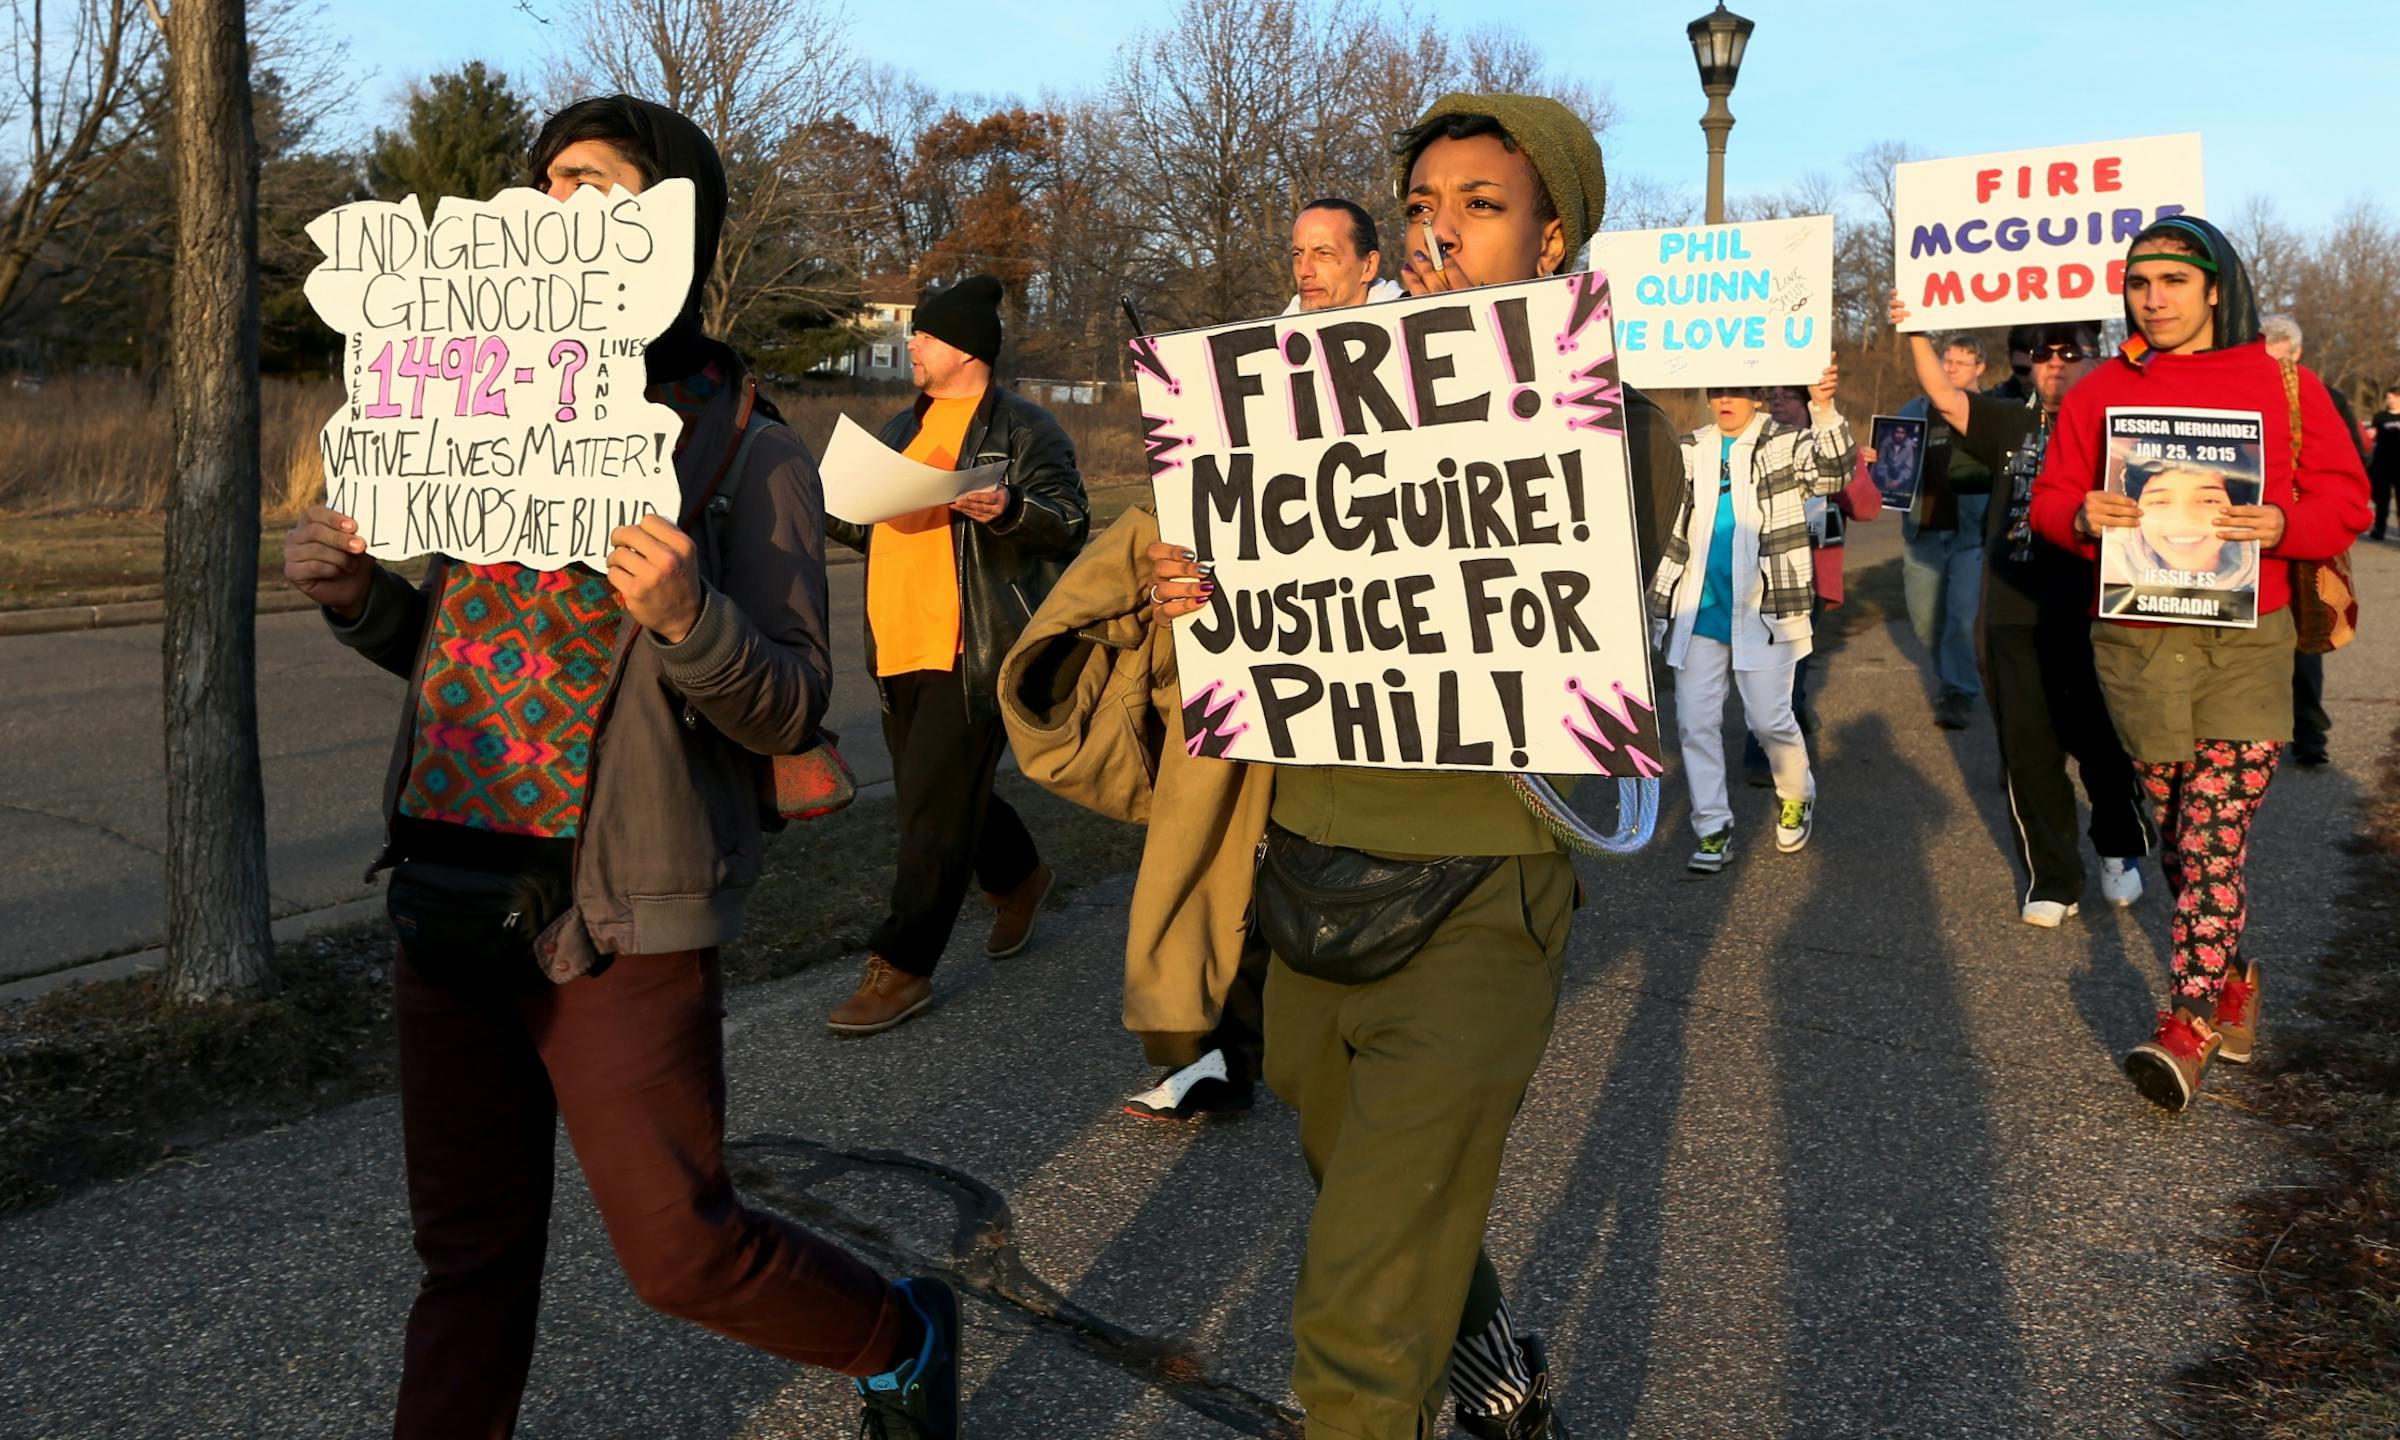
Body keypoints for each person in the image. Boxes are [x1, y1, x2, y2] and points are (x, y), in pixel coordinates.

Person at [280, 95, 960, 1439]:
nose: (555, 209)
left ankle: (899, 1335)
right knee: (467, 1262)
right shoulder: (477, 409)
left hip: (617, 915)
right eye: (544, 185)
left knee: (681, 1253)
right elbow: (465, 663)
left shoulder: (745, 448)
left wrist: (689, 618)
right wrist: (362, 601)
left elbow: (790, 705)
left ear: (671, 229)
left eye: (592, 185)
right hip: (446, 885)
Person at [1148, 92, 1685, 1440]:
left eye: (1481, 209)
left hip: (1478, 895)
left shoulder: (1616, 425)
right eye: (1423, 209)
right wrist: (1191, 580)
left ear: (1553, 241)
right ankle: (1494, 1365)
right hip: (1312, 872)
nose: (1440, 235)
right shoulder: (1296, 403)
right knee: (1367, 1184)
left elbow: (1575, 587)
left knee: (1359, 1317)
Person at [2030, 216, 2370, 1112]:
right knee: (2186, 831)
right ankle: (2233, 977)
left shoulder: (2284, 384)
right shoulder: (2103, 390)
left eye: (2174, 282)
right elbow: (2050, 500)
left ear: (2216, 288)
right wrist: (2080, 515)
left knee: (2215, 825)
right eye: (2140, 283)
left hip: (2247, 644)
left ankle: (2184, 1026)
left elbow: (2348, 500)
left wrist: (2286, 523)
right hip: (2139, 644)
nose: (2154, 299)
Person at [823, 274, 1090, 1035]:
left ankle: (902, 967)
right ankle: (1020, 877)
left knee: (930, 818)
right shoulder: (899, 428)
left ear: (967, 350)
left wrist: (1009, 507)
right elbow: (863, 526)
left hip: (973, 648)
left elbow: (1069, 520)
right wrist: (830, 501)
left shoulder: (1024, 429)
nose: (911, 344)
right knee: (937, 793)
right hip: (894, 644)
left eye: (927, 335)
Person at [1891, 294, 2152, 925]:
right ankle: (2053, 878)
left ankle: (2119, 845)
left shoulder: (2119, 423)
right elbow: (1945, 398)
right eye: (2043, 352)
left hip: (2097, 609)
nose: (2055, 363)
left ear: (2095, 357)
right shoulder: (2010, 421)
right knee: (2028, 749)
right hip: (2015, 607)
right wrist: (1915, 329)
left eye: (2070, 352)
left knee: (2103, 745)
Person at [1655, 375, 1855, 872]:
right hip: (1697, 612)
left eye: (1737, 390)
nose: (1725, 399)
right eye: (1716, 390)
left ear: (1758, 396)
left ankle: (1796, 793)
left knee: (1769, 720)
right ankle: (1712, 828)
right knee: (1694, 723)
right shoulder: (1688, 449)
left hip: (1766, 609)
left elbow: (1836, 473)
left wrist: (1824, 407)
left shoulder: (1785, 442)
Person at [1741, 383, 1881, 783]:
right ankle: (1781, 728)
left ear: (1807, 404)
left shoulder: (1832, 449)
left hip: (1812, 576)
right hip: (1761, 572)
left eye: (1787, 397)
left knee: (1788, 661)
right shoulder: (1754, 447)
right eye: (1772, 397)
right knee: (1779, 662)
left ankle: (1768, 748)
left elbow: (1868, 508)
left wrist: (1850, 464)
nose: (1778, 404)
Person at [2261, 317, 2363, 767]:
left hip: (2302, 531)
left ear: (2297, 353)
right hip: (2251, 528)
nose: (2271, 366)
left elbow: (2349, 463)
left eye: (2278, 356)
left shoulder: (2322, 395)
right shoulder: (2245, 387)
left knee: (2304, 634)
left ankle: (2309, 733)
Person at [1901, 333, 1996, 729]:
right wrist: (1877, 461)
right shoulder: (1915, 410)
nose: (1951, 368)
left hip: (1969, 535)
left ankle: (1958, 691)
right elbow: (1893, 461)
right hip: (1922, 532)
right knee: (1926, 622)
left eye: (1961, 362)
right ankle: (1951, 678)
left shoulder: (1991, 412)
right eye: (1946, 360)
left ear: (1980, 368)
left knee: (1961, 617)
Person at [1285, 196, 1406, 313]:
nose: (1304, 271)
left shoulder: (1409, 323)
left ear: (1369, 266)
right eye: (1297, 254)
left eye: (1324, 253)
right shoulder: (1282, 324)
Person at [2370, 383, 2400, 542]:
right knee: (2382, 499)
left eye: (2394, 397)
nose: (2391, 400)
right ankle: (2379, 529)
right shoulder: (2380, 417)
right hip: (2383, 463)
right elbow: (2372, 435)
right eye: (2388, 398)